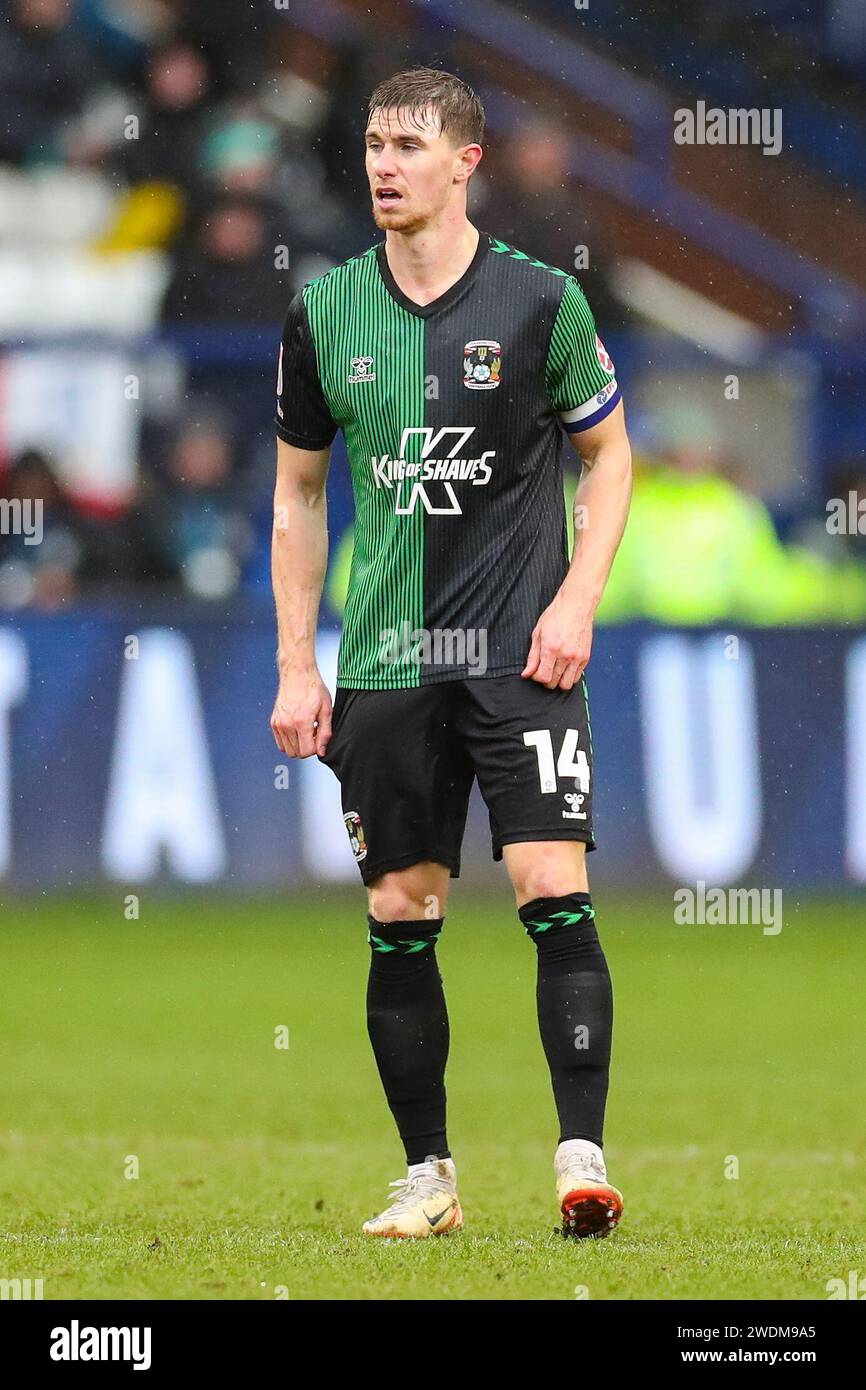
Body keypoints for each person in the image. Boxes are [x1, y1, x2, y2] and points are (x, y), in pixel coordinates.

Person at [270, 68, 633, 1239]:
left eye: (409, 146)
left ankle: (580, 1156)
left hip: (521, 655)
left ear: (466, 160)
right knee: (400, 903)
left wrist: (576, 597)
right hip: (384, 661)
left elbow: (609, 457)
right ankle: (427, 1177)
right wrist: (295, 662)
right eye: (373, 143)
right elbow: (298, 496)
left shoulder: (540, 304)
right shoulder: (324, 312)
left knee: (550, 885)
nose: (384, 164)